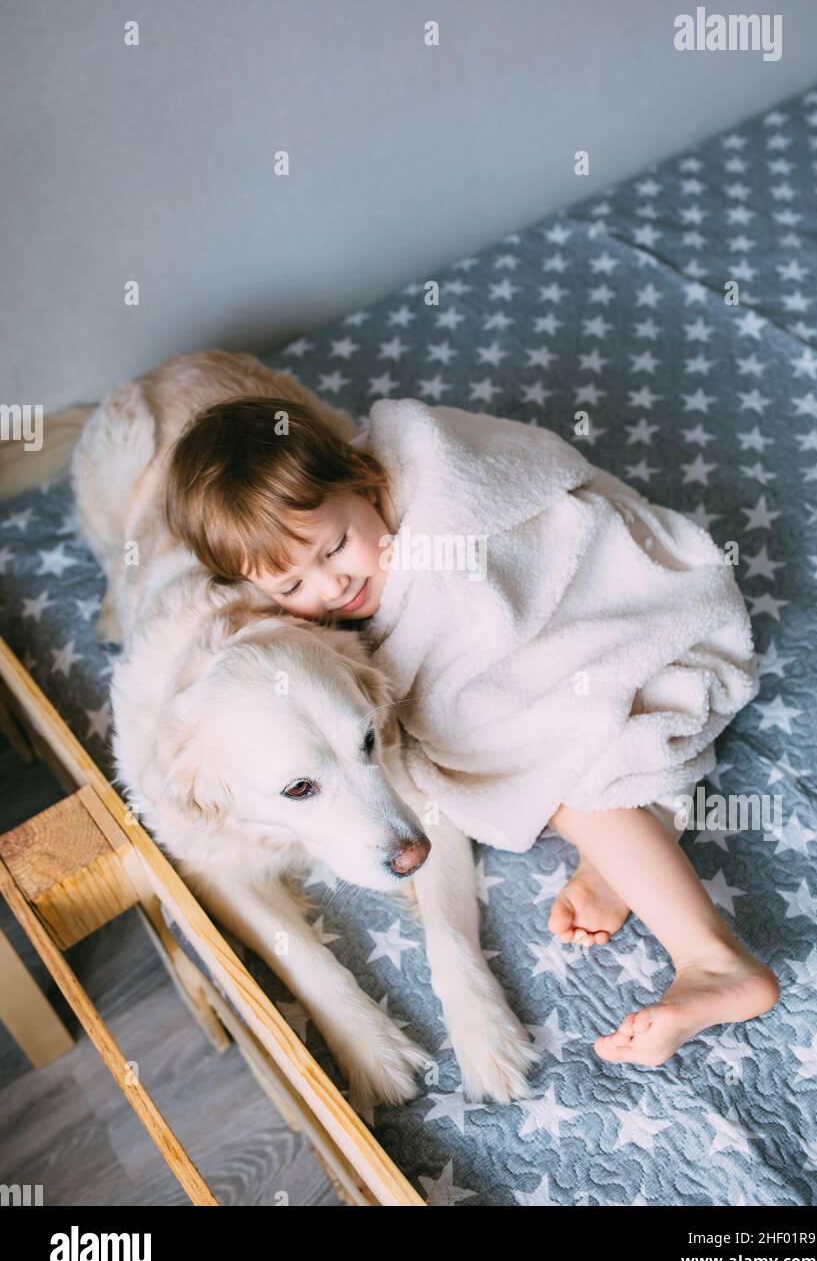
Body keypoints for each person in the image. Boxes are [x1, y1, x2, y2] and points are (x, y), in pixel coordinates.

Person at [165, 392, 780, 1065]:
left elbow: (506, 601)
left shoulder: (440, 506)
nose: (332, 586)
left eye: (337, 545)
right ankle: (627, 851)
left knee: (553, 765)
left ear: (361, 482)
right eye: (291, 587)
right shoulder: (326, 591)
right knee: (585, 756)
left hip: (629, 614)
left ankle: (711, 958)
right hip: (597, 659)